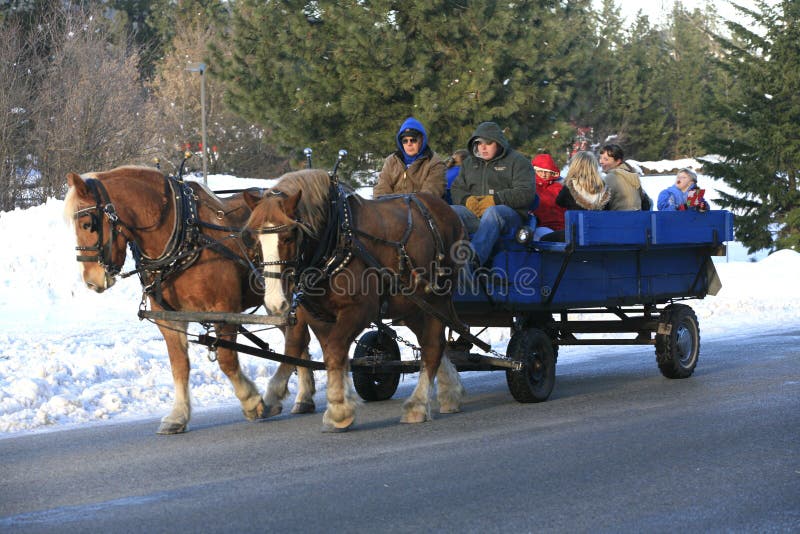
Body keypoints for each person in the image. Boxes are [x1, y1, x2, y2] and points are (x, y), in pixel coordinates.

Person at [450, 121, 536, 266]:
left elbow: (526, 192)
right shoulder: (469, 163)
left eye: (488, 143)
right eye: (478, 143)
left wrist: (495, 199)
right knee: (450, 212)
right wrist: (466, 200)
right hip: (478, 217)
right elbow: (457, 188)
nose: (482, 147)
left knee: (493, 212)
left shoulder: (518, 161)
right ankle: (442, 257)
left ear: (498, 143)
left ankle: (473, 260)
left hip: (510, 219)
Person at [541, 151, 610, 242]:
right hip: (598, 234)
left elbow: (559, 201)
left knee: (543, 239)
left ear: (575, 166)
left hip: (575, 235)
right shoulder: (603, 186)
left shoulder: (571, 185)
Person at [373, 117, 445, 198]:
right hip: (393, 207)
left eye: (413, 140)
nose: (409, 144)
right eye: (405, 141)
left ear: (421, 140)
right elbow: (381, 189)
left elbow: (430, 194)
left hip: (421, 208)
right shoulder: (392, 161)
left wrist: (406, 205)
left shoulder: (434, 162)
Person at [599, 143, 648, 211]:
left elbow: (600, 204)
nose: (601, 161)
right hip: (637, 219)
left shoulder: (611, 177)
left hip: (619, 219)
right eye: (600, 158)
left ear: (618, 161)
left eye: (606, 159)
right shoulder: (633, 176)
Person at [530, 153, 566, 240]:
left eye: (546, 171)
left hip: (563, 227)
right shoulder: (530, 187)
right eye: (540, 171)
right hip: (540, 226)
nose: (543, 174)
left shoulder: (559, 187)